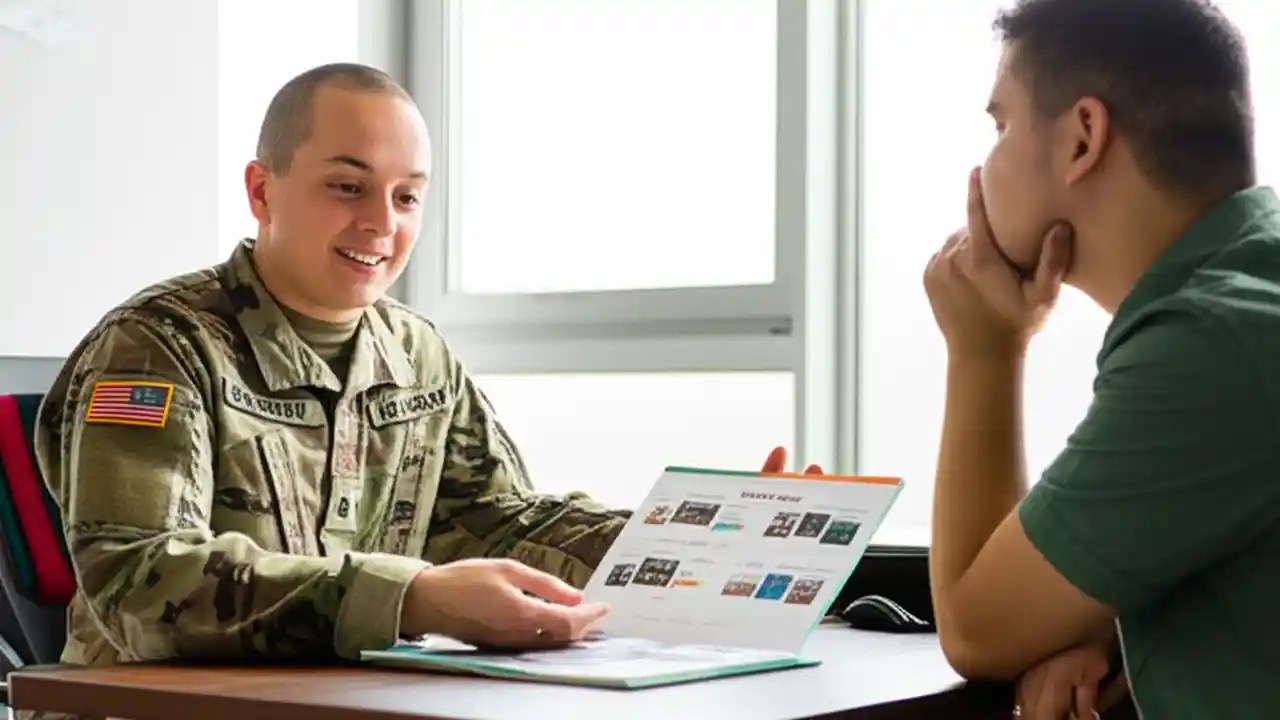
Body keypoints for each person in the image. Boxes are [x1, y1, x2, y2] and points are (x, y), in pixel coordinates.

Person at [34, 63, 809, 669]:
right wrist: (414, 600)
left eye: (407, 198)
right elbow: (140, 583)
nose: (380, 223)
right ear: (262, 191)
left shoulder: (417, 353)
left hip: (349, 701)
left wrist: (706, 538)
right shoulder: (157, 347)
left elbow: (502, 520)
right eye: (348, 187)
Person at [920, 0, 1280, 718]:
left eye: (1000, 125)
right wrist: (1117, 635)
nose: (982, 163)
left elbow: (975, 627)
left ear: (1083, 137)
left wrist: (986, 350)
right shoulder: (1250, 295)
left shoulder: (1212, 346)